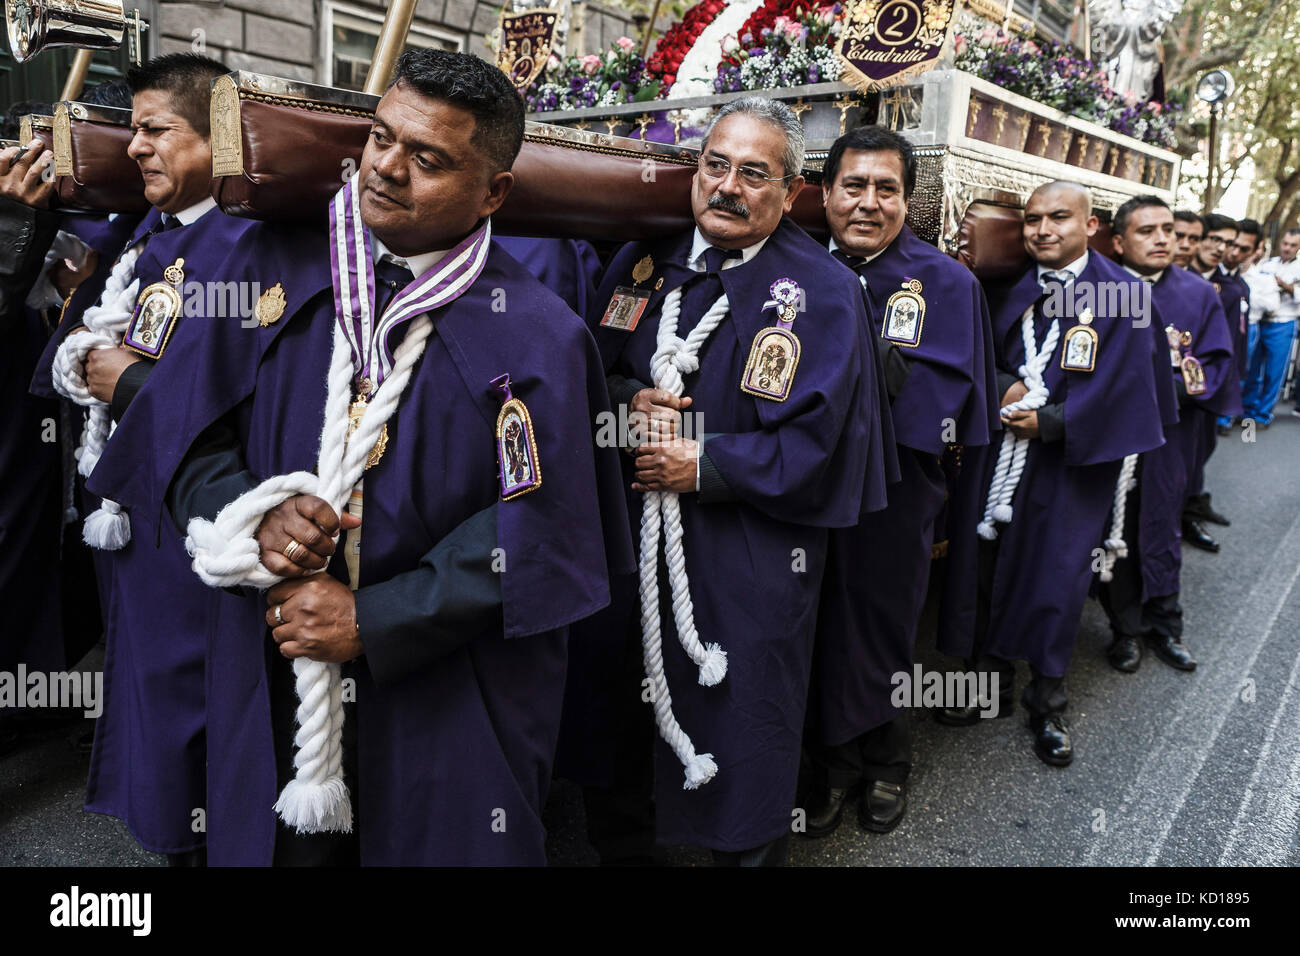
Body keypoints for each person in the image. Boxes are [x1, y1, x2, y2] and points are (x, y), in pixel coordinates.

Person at [88, 49, 632, 866]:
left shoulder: (540, 334)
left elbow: (545, 530)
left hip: (443, 687)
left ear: (494, 192)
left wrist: (374, 618)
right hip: (275, 654)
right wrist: (252, 512)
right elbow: (182, 431)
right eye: (382, 138)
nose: (387, 168)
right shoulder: (264, 265)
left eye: (429, 159)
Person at [584, 97, 894, 865]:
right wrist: (630, 404)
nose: (727, 187)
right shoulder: (643, 263)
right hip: (634, 541)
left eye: (753, 174)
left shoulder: (824, 293)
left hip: (752, 552)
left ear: (791, 194)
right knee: (620, 712)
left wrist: (708, 463)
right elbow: (591, 376)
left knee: (744, 717)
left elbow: (828, 442)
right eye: (715, 165)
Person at [30, 53, 260, 866]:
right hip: (128, 518)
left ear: (219, 137)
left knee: (196, 712)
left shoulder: (249, 248)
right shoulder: (147, 234)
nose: (134, 148)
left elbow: (226, 398)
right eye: (133, 129)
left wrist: (126, 380)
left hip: (187, 519)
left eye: (156, 128)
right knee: (148, 700)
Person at [802, 125, 998, 836]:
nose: (868, 202)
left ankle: (886, 763)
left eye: (887, 189)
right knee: (814, 626)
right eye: (853, 185)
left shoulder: (945, 282)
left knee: (879, 627)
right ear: (825, 193)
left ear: (907, 201)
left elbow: (948, 396)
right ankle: (828, 768)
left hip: (893, 490)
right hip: (797, 488)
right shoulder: (794, 270)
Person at [937, 181, 1172, 767]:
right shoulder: (1002, 287)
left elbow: (1135, 388)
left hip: (1073, 465)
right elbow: (968, 360)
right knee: (986, 571)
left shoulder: (1125, 296)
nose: (1043, 230)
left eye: (1059, 218)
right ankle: (990, 686)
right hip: (1000, 459)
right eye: (1033, 220)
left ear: (1090, 226)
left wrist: (1055, 421)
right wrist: (1003, 390)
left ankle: (1048, 699)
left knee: (1057, 579)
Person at [1100, 196, 1239, 673]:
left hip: (1167, 435)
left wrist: (1168, 391)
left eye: (1168, 230)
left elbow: (1216, 364)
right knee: (1115, 531)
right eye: (1147, 231)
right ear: (1118, 242)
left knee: (1161, 526)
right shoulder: (1099, 291)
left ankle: (1166, 627)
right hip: (1112, 440)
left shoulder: (1199, 295)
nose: (1164, 239)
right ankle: (1125, 631)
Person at [1240, 228, 1300, 428]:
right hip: (1260, 321)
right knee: (1251, 369)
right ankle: (1246, 410)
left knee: (1273, 373)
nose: (1287, 248)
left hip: (1284, 323)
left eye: (1292, 245)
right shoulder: (1268, 264)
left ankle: (1262, 415)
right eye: (1285, 243)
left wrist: (1285, 285)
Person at [1216, 219, 1260, 434]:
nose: (1235, 253)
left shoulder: (1242, 287)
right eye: (1233, 245)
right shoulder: (1208, 279)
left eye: (1244, 249)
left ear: (1253, 251)